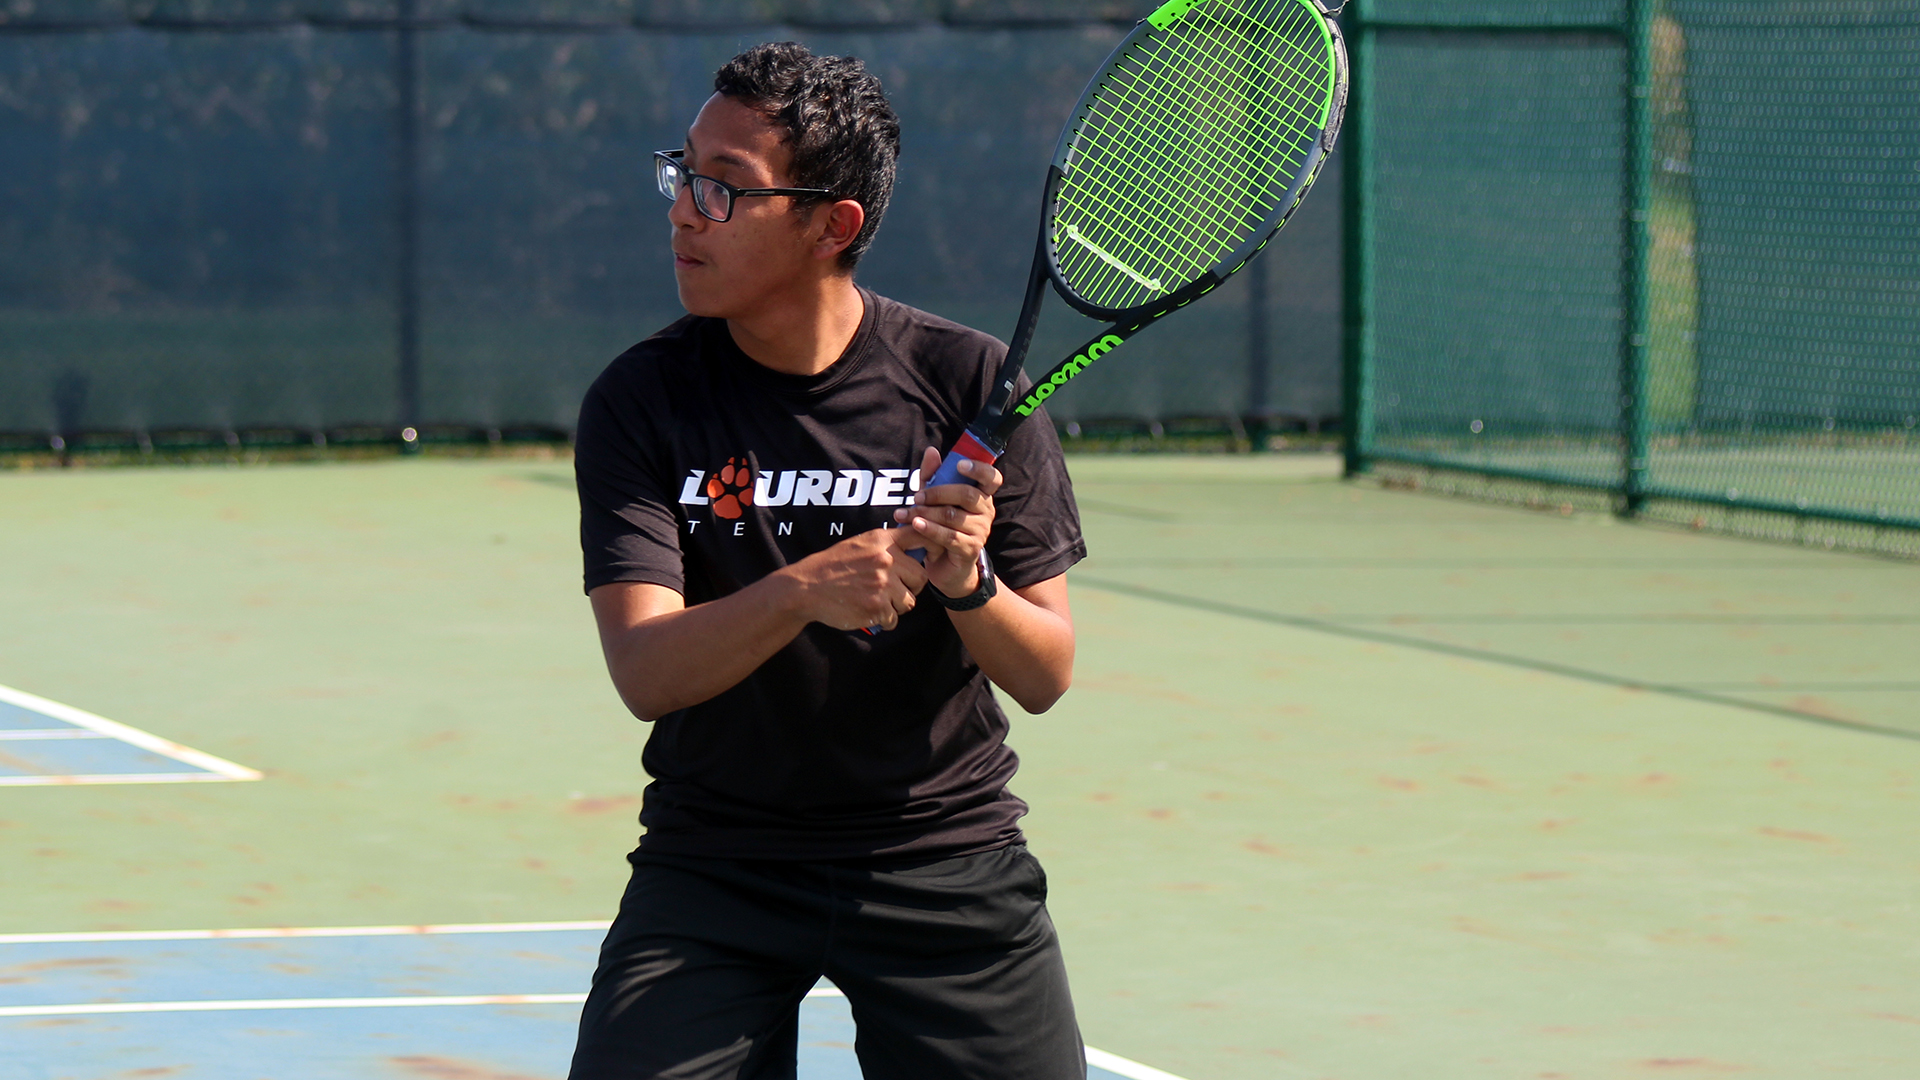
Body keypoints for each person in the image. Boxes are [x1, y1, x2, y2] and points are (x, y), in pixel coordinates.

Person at [568, 41, 1088, 1080]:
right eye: (684, 173)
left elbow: (1044, 673)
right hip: (718, 862)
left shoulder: (970, 383)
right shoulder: (641, 400)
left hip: (942, 855)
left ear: (831, 224)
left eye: (725, 189)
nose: (683, 209)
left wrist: (967, 583)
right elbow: (647, 672)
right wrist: (805, 591)